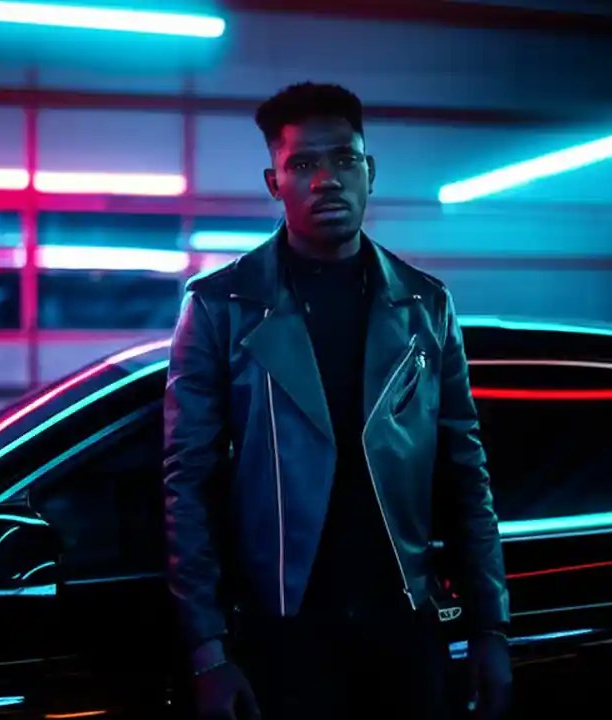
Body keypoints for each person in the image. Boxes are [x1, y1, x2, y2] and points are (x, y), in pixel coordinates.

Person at [163, 81, 512, 720]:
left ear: (369, 173)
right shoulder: (220, 307)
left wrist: (490, 628)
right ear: (275, 182)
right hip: (283, 631)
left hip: (404, 624)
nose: (327, 179)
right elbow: (188, 484)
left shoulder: (424, 305)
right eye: (303, 164)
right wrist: (207, 650)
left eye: (345, 160)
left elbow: (466, 473)